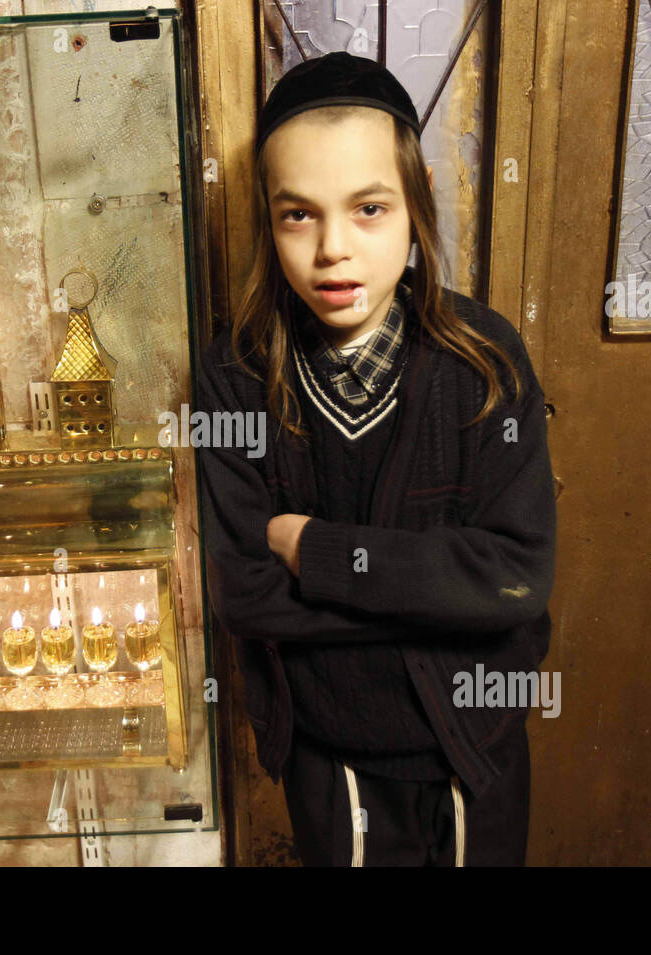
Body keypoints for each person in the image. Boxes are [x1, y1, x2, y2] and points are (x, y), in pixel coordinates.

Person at [194, 52, 557, 866]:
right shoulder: (234, 378)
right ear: (268, 221)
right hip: (331, 757)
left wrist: (313, 550)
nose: (334, 249)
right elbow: (244, 593)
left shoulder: (485, 359)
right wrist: (437, 589)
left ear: (414, 203)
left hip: (474, 741)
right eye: (299, 215)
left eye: (368, 209)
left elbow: (514, 578)